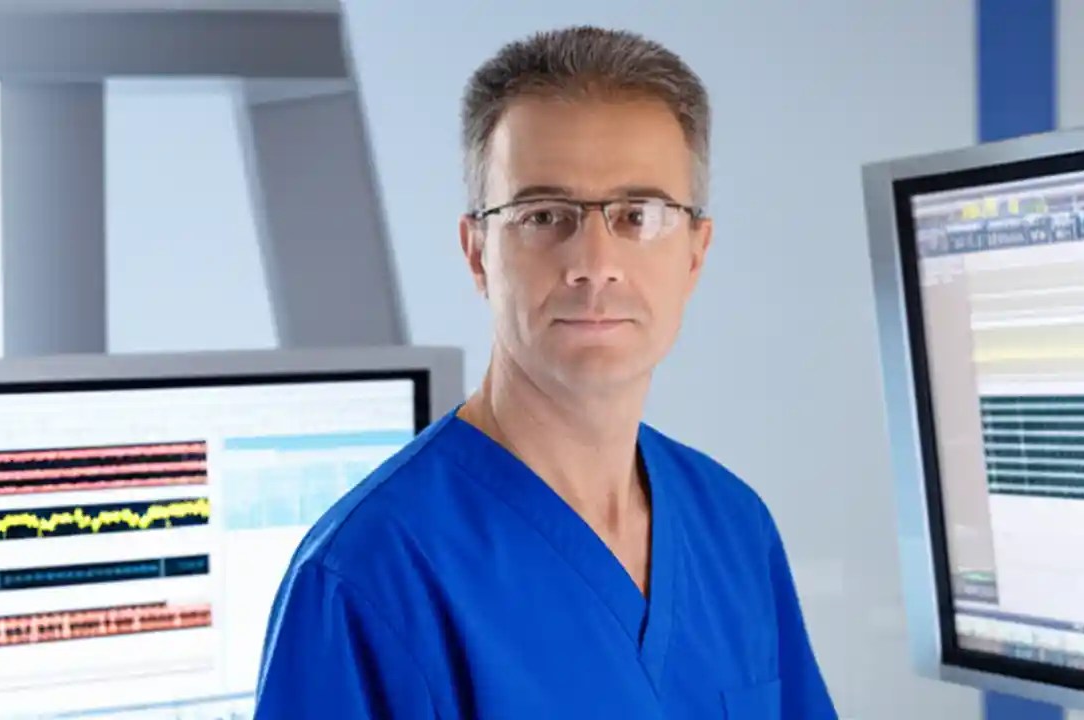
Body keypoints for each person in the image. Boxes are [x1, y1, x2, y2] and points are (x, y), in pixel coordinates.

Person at [254, 25, 838, 719]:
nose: (594, 261)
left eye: (639, 214)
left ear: (695, 252)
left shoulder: (734, 528)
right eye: (543, 215)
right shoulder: (367, 578)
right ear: (477, 253)